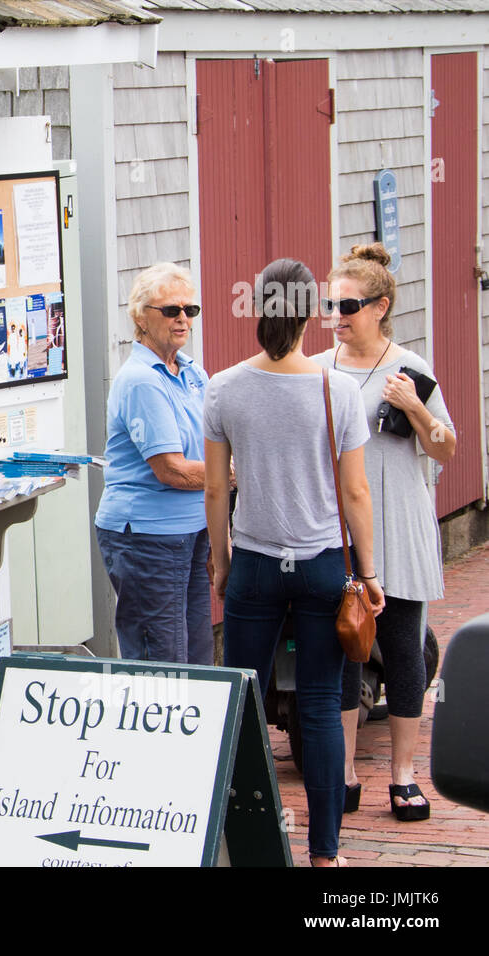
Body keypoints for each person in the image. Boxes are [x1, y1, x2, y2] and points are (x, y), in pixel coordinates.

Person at [204, 258, 385, 867]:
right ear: (313, 312)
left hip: (253, 561)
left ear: (258, 308)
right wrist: (369, 573)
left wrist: (222, 564)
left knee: (242, 702)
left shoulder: (224, 387)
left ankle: (241, 842)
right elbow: (355, 493)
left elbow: (214, 490)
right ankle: (325, 854)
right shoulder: (339, 390)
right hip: (322, 566)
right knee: (322, 708)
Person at [310, 243, 456, 822]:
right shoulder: (316, 371)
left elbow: (446, 445)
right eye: (331, 304)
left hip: (402, 525)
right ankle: (344, 771)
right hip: (341, 533)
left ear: (380, 306)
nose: (337, 314)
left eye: (349, 304)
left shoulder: (411, 369)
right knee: (346, 648)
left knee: (401, 653)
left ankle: (402, 775)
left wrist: (415, 409)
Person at [95, 262, 212, 665]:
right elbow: (172, 470)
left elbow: (218, 443)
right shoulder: (143, 379)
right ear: (140, 317)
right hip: (147, 536)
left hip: (192, 530)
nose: (183, 318)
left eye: (190, 310)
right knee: (161, 662)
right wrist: (235, 476)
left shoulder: (192, 372)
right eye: (171, 310)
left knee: (195, 655)